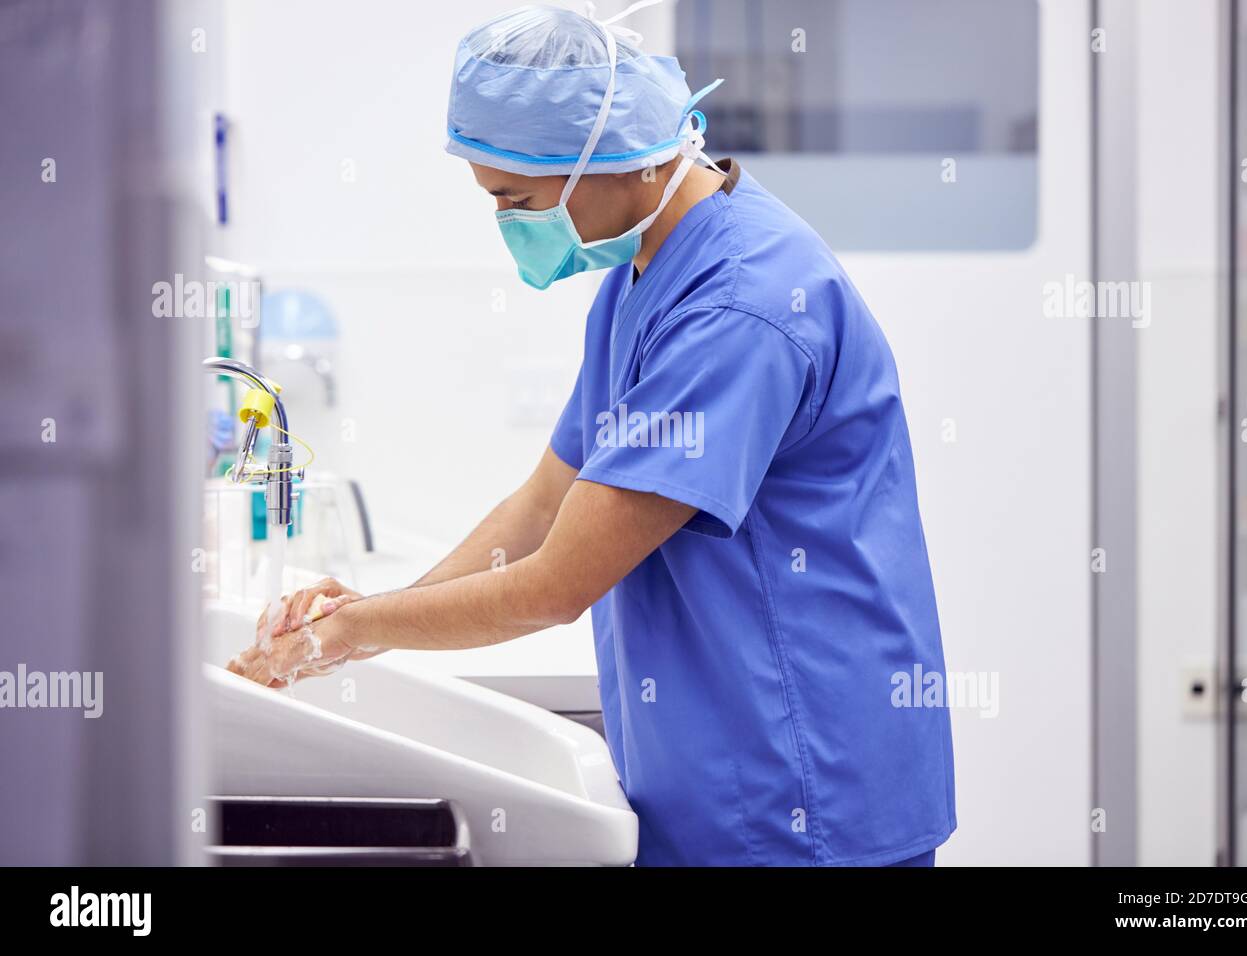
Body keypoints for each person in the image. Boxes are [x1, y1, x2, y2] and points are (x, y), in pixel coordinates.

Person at [229, 2, 956, 868]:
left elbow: (555, 584)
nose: (508, 223)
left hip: (804, 784)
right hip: (720, 778)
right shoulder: (642, 273)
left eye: (518, 199)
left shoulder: (739, 309)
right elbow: (543, 505)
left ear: (620, 162)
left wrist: (349, 633)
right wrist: (373, 616)